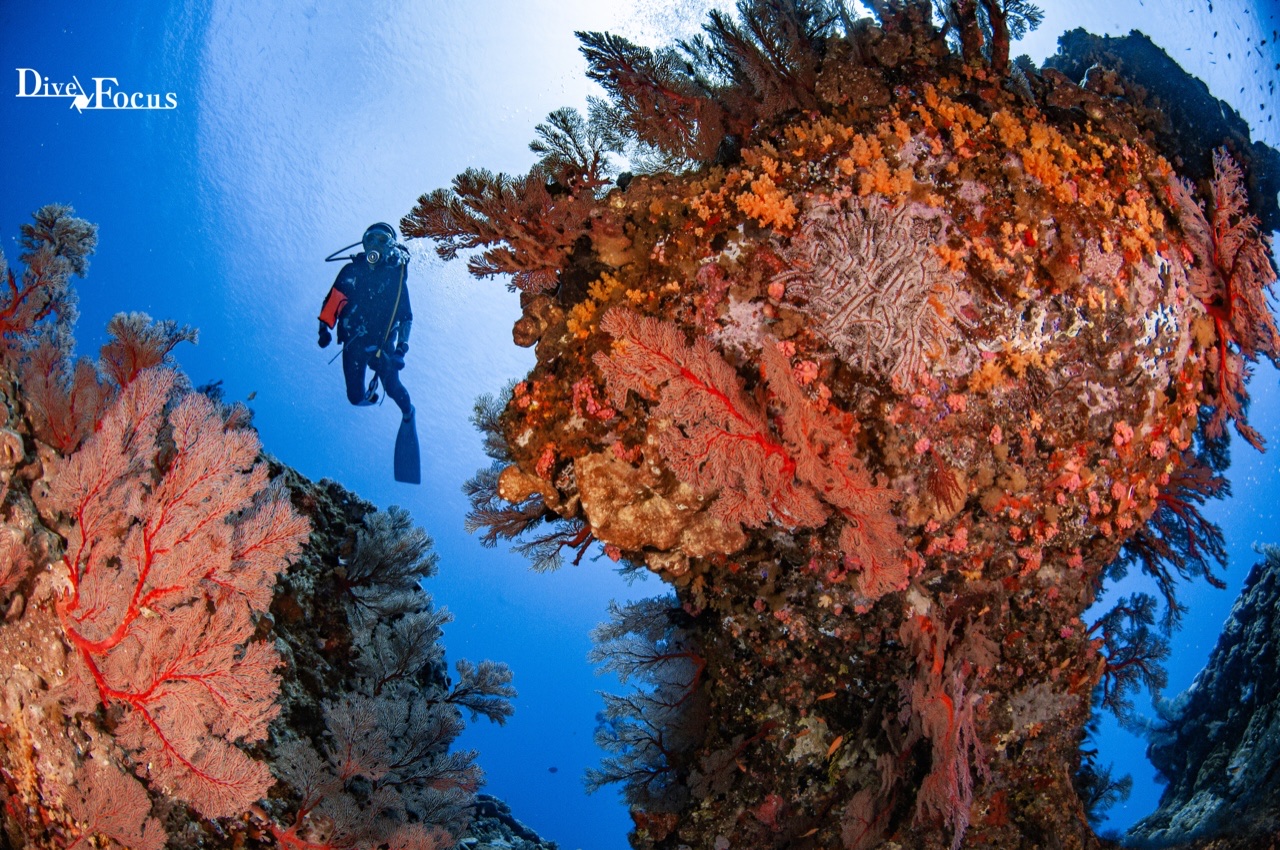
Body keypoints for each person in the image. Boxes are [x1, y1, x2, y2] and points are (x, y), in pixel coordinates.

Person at [317, 222, 414, 422]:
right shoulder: (351, 271)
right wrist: (323, 329)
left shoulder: (395, 276)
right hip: (354, 342)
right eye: (370, 239)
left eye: (382, 240)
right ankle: (369, 398)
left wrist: (400, 351)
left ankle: (408, 412)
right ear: (364, 243)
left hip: (383, 347)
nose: (375, 244)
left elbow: (406, 316)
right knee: (354, 397)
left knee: (393, 387)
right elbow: (333, 300)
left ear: (390, 246)